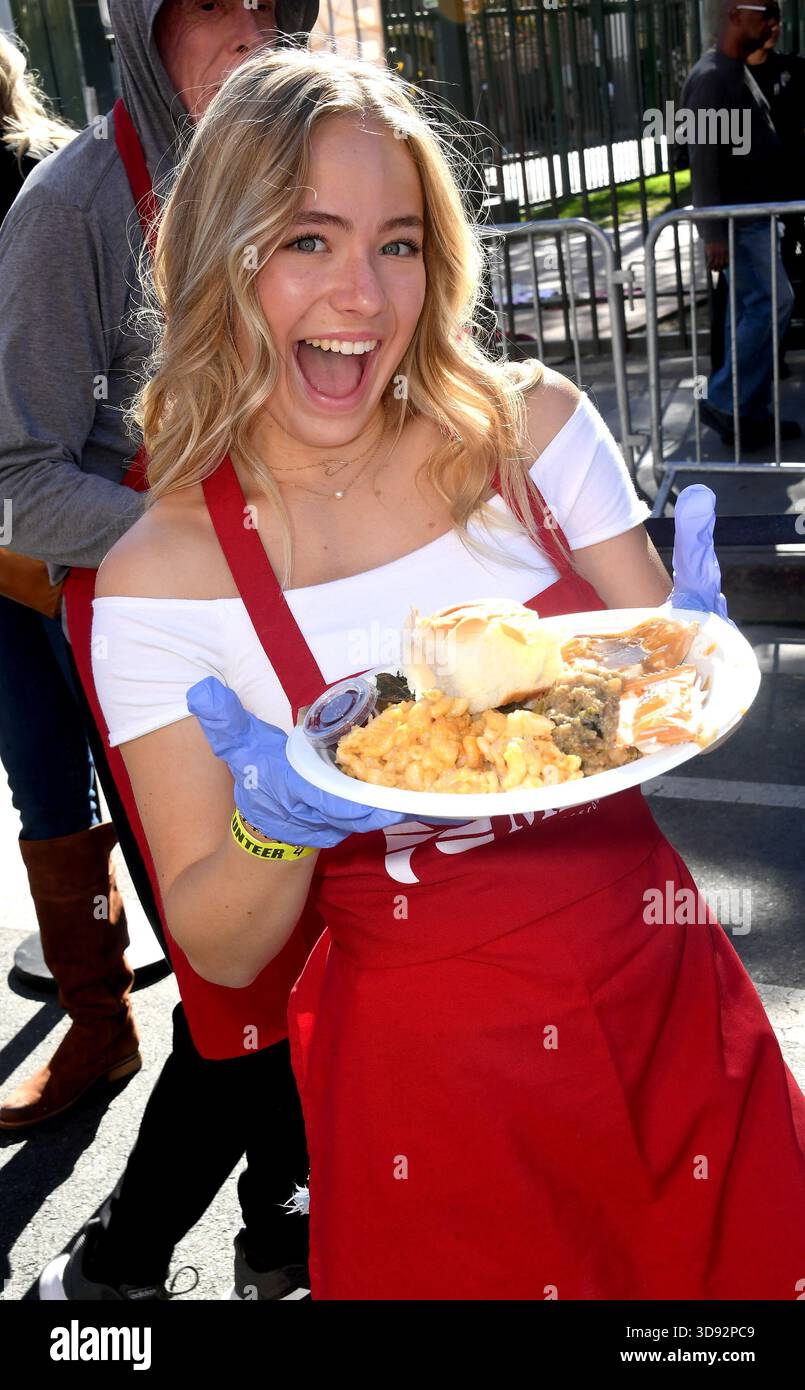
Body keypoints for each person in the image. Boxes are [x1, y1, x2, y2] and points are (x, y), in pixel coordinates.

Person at [91, 45, 805, 1299]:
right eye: (306, 239)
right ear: (219, 255)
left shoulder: (528, 430)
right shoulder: (160, 575)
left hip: (659, 999)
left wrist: (694, 646)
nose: (362, 294)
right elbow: (220, 943)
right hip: (431, 1093)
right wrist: (274, 826)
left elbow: (684, 697)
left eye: (399, 242)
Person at [0, 0, 322, 1301]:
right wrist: (208, 548)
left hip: (305, 631)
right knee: (241, 971)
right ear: (144, 24)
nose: (246, 30)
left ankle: (274, 1221)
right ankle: (125, 1270)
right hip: (154, 650)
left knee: (323, 944)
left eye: (268, 3)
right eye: (209, 6)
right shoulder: (69, 207)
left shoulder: (306, 165)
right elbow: (19, 480)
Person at [0, 28, 141, 1133]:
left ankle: (234, 1033)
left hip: (73, 536)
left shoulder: (50, 176)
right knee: (48, 793)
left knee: (146, 787)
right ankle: (99, 1021)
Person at [681, 0, 800, 448]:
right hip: (738, 222)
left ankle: (747, 412)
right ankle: (727, 401)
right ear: (735, 14)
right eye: (765, 12)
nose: (773, 22)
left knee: (755, 311)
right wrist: (713, 232)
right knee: (771, 305)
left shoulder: (730, 70)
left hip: (751, 218)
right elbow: (704, 161)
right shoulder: (713, 77)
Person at [747, 11, 805, 370]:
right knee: (767, 285)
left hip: (797, 188)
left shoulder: (793, 68)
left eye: (778, 19)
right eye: (766, 18)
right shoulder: (731, 75)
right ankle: (772, 357)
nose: (774, 27)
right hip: (758, 199)